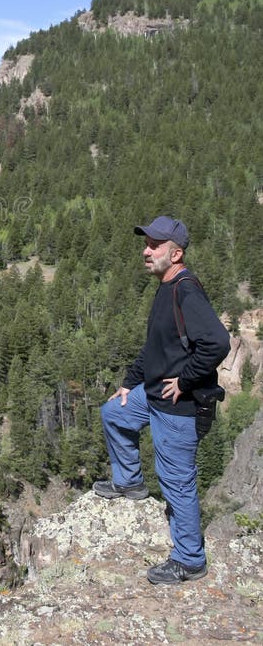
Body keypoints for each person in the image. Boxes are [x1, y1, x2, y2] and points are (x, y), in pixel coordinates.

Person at [93, 215, 230, 585]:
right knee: (114, 413)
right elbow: (156, 347)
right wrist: (129, 382)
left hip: (178, 409)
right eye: (146, 243)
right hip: (151, 395)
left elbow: (218, 342)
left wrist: (185, 380)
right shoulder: (165, 288)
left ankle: (190, 560)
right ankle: (129, 482)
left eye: (155, 245)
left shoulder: (186, 291)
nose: (146, 251)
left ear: (176, 253)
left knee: (176, 482)